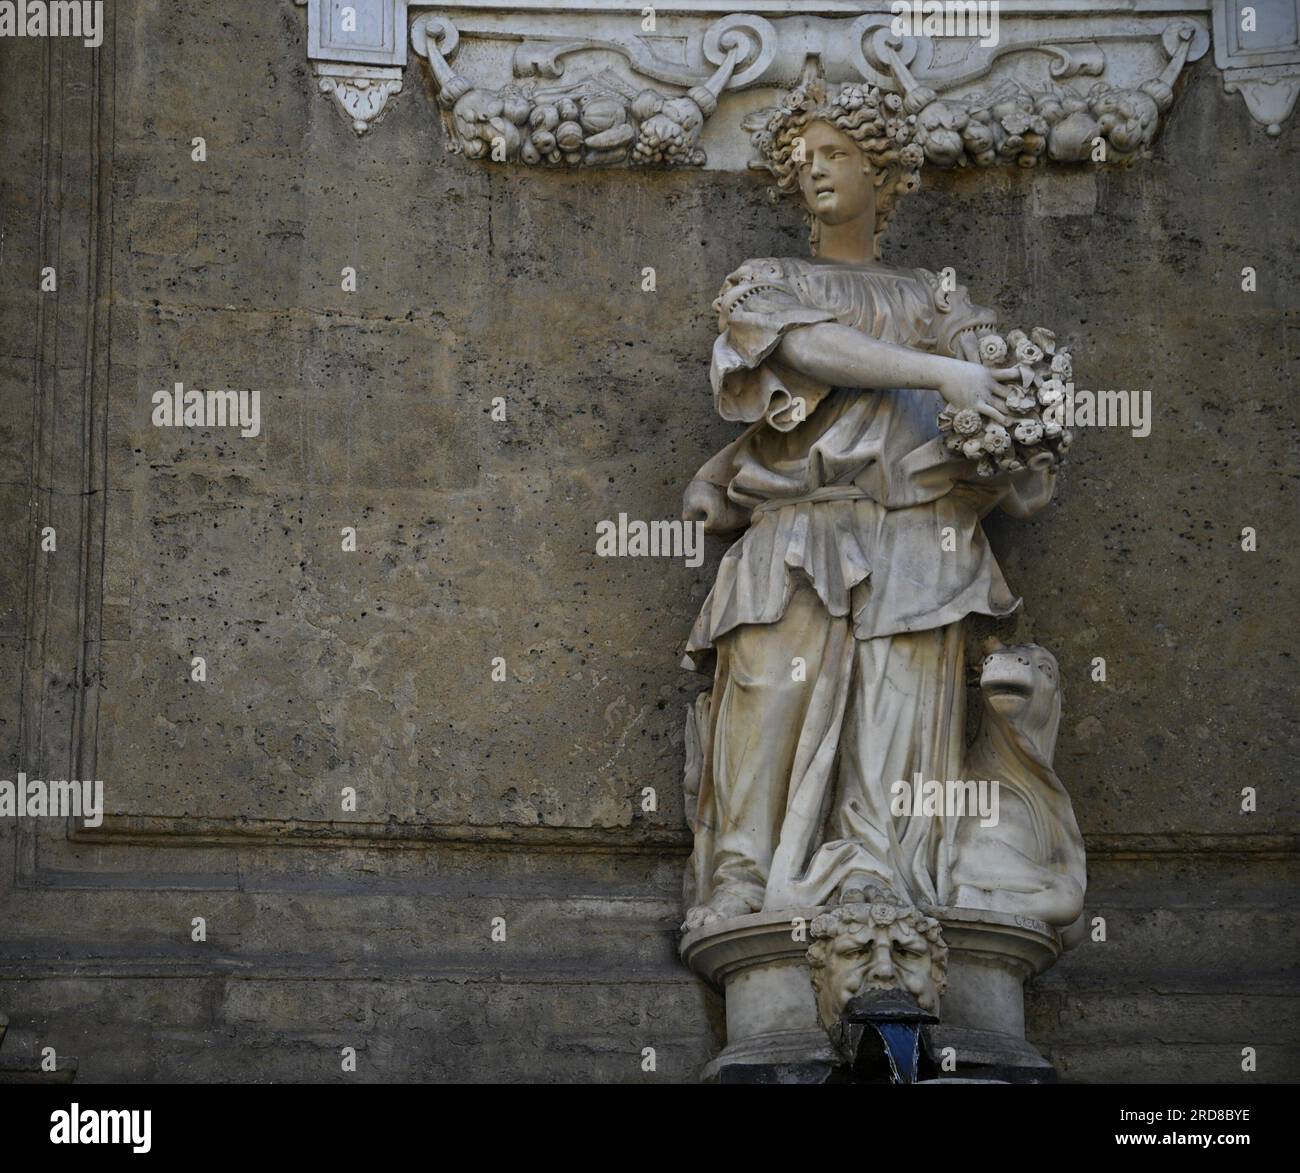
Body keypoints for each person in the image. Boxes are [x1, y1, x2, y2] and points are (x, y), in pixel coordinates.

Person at [680, 81, 1058, 929]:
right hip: (799, 529)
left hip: (926, 536)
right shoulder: (766, 283)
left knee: (899, 733)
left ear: (881, 173)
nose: (815, 169)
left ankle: (880, 880)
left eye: (836, 154)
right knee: (768, 704)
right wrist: (945, 373)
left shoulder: (937, 295)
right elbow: (808, 347)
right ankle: (742, 880)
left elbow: (999, 375)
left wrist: (1017, 422)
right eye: (803, 157)